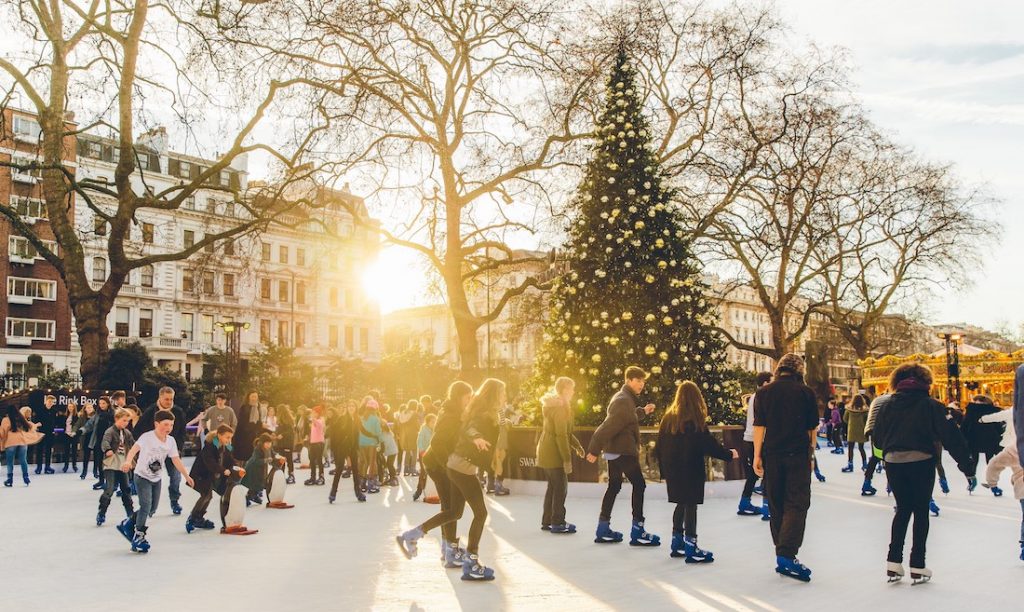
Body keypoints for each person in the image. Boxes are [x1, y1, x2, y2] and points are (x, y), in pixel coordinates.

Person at [871, 363, 976, 583]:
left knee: (902, 509)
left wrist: (888, 451)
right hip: (921, 460)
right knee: (920, 510)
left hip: (894, 461)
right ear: (926, 382)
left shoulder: (887, 406)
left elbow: (877, 437)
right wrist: (967, 467)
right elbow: (952, 437)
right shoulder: (932, 406)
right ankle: (917, 564)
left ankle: (893, 561)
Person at [397, 379, 505, 582]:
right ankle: (464, 559)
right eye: (466, 396)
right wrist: (454, 460)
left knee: (454, 511)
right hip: (445, 465)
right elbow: (448, 439)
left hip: (454, 465)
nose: (470, 399)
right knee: (474, 512)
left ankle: (421, 539)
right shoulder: (457, 414)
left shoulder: (470, 412)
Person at [752, 353, 819, 582]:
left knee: (776, 501)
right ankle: (787, 553)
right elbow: (812, 429)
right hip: (797, 455)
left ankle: (781, 548)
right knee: (797, 502)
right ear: (799, 370)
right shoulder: (806, 393)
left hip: (772, 454)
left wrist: (757, 455)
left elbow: (759, 426)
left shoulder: (764, 393)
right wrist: (811, 455)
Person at [656, 381, 738, 562]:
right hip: (690, 469)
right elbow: (708, 444)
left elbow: (659, 446)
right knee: (690, 504)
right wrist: (729, 454)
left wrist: (664, 471)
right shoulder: (694, 419)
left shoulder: (668, 418)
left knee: (681, 503)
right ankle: (691, 546)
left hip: (673, 470)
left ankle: (677, 542)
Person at [396, 381, 474, 569]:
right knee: (454, 510)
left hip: (438, 464)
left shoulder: (454, 412)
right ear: (459, 396)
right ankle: (416, 537)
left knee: (449, 509)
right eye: (467, 396)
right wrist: (449, 467)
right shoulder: (450, 415)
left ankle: (448, 550)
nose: (469, 400)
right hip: (440, 465)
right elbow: (437, 442)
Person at [586, 366, 659, 546]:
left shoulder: (624, 398)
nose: (641, 384)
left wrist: (643, 411)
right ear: (628, 380)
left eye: (643, 381)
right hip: (623, 451)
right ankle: (638, 531)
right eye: (638, 380)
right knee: (639, 485)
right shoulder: (624, 400)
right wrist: (594, 448)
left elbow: (627, 417)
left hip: (615, 451)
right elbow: (609, 425)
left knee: (614, 486)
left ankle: (603, 528)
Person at [119, 410, 195, 553]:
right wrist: (128, 461)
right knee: (145, 505)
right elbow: (134, 449)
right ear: (156, 424)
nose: (168, 428)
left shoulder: (171, 441)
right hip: (142, 476)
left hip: (156, 478)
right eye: (165, 424)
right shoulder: (147, 437)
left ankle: (128, 522)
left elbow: (175, 460)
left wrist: (186, 475)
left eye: (171, 425)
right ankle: (139, 536)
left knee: (152, 509)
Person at [537, 377, 585, 534]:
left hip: (546, 450)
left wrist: (577, 446)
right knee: (560, 488)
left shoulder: (557, 406)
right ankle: (557, 522)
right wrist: (567, 459)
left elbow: (566, 433)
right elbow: (561, 435)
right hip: (553, 453)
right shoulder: (560, 409)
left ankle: (547, 520)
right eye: (571, 388)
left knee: (553, 487)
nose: (573, 392)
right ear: (564, 390)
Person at [135, 387, 187, 514]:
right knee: (152, 478)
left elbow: (182, 432)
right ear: (160, 398)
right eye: (166, 399)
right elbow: (138, 430)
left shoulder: (178, 412)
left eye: (171, 399)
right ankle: (151, 505)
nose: (169, 402)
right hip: (154, 453)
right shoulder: (150, 412)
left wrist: (178, 448)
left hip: (171, 451)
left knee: (176, 477)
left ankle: (174, 501)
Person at [187, 424, 236, 533]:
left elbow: (230, 459)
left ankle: (198, 518)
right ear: (219, 435)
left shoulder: (225, 446)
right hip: (201, 475)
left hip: (209, 476)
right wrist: (223, 470)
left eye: (230, 437)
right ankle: (193, 518)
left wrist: (235, 467)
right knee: (206, 495)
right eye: (227, 437)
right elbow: (210, 463)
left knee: (208, 496)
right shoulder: (209, 446)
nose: (229, 440)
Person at [739, 372, 773, 518]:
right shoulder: (764, 396)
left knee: (754, 474)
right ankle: (767, 507)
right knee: (767, 472)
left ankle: (744, 502)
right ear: (765, 383)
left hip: (749, 438)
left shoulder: (754, 396)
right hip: (759, 439)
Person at [96, 409, 136, 526]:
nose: (126, 423)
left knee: (126, 489)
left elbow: (133, 444)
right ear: (116, 419)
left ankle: (130, 513)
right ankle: (101, 512)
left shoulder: (127, 433)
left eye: (127, 421)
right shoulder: (110, 431)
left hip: (123, 464)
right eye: (124, 420)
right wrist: (107, 449)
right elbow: (105, 442)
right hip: (111, 464)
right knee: (109, 489)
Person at [328, 401, 365, 503]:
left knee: (355, 470)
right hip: (342, 447)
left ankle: (358, 492)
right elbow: (334, 432)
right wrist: (335, 447)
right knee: (339, 469)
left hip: (353, 448)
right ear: (347, 408)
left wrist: (375, 436)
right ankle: (333, 492)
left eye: (353, 406)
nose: (351, 408)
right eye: (349, 406)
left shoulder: (357, 419)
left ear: (356, 408)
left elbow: (363, 430)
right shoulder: (342, 418)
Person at [962, 394, 1004, 470]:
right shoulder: (991, 410)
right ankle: (990, 476)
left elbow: (965, 424)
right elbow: (997, 425)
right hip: (990, 437)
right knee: (990, 459)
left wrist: (963, 436)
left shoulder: (972, 410)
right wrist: (1001, 435)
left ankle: (972, 474)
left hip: (974, 437)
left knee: (974, 459)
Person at [1, 405, 40, 486]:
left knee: (10, 461)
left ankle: (10, 479)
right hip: (22, 441)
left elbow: (2, 432)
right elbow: (29, 426)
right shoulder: (21, 418)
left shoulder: (6, 420)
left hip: (11, 442)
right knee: (23, 460)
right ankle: (26, 478)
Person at [242, 433, 276, 504]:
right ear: (262, 443)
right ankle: (248, 498)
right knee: (255, 484)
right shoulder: (258, 449)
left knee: (260, 483)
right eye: (267, 443)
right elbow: (256, 461)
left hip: (261, 469)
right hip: (253, 468)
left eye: (270, 443)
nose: (269, 445)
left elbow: (273, 455)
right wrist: (266, 460)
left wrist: (278, 458)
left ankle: (255, 496)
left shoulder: (269, 449)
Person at [358, 399, 383, 494]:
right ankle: (371, 484)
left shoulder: (362, 418)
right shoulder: (375, 418)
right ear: (375, 409)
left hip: (361, 442)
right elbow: (378, 432)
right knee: (372, 462)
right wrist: (381, 441)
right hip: (372, 443)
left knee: (364, 462)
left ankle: (362, 483)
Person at [90, 397, 115, 490]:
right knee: (99, 461)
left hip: (109, 441)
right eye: (100, 403)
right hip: (99, 440)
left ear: (108, 403)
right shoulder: (98, 414)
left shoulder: (112, 414)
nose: (101, 405)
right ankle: (101, 480)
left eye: (103, 403)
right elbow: (90, 423)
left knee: (108, 462)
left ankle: (109, 482)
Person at [235, 391, 267, 462]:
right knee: (244, 457)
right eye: (253, 396)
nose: (254, 398)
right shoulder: (244, 408)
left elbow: (258, 421)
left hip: (254, 436)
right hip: (243, 436)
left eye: (256, 397)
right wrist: (260, 425)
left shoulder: (258, 407)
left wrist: (261, 425)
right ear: (248, 397)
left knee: (253, 456)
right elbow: (243, 423)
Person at [842, 394, 869, 473]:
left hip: (852, 431)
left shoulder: (849, 409)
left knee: (850, 448)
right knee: (861, 448)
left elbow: (845, 419)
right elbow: (867, 420)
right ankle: (864, 464)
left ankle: (850, 465)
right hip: (861, 431)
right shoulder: (865, 411)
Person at [31, 394, 58, 475]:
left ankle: (47, 467)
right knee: (39, 450)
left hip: (50, 433)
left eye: (52, 402)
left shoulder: (54, 411)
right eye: (49, 401)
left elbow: (55, 422)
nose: (50, 403)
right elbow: (36, 421)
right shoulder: (40, 410)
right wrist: (37, 426)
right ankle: (39, 467)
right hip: (41, 432)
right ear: (46, 401)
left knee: (48, 450)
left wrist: (54, 430)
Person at [413, 413, 437, 501]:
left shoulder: (435, 430)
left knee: (433, 473)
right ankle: (418, 491)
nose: (434, 423)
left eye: (435, 421)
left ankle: (434, 492)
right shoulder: (424, 430)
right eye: (432, 422)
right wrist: (421, 450)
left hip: (432, 454)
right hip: (423, 454)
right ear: (427, 422)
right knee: (423, 472)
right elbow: (419, 441)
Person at [305, 405, 327, 486]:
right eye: (312, 412)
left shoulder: (321, 420)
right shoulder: (313, 421)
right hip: (313, 443)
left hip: (319, 443)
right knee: (312, 460)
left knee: (319, 460)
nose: (312, 414)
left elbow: (320, 426)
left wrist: (313, 418)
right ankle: (313, 477)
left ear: (318, 413)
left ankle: (321, 477)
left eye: (314, 412)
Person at [275, 405, 296, 485]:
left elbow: (290, 432)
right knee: (282, 460)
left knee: (289, 459)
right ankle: (282, 475)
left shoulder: (288, 421)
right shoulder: (280, 421)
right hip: (281, 444)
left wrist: (282, 435)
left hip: (287, 444)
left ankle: (291, 475)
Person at [61, 401, 80, 473]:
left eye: (72, 407)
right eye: (69, 407)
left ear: (74, 408)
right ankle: (66, 466)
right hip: (67, 435)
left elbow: (78, 426)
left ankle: (74, 465)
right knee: (66, 451)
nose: (70, 408)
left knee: (74, 451)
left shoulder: (77, 416)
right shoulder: (65, 415)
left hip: (74, 435)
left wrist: (74, 433)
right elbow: (63, 425)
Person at [380, 421, 399, 486]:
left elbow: (386, 444)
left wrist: (382, 451)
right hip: (392, 451)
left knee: (389, 464)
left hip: (392, 451)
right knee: (389, 464)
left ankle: (394, 477)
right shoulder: (388, 433)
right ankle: (391, 477)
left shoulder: (385, 434)